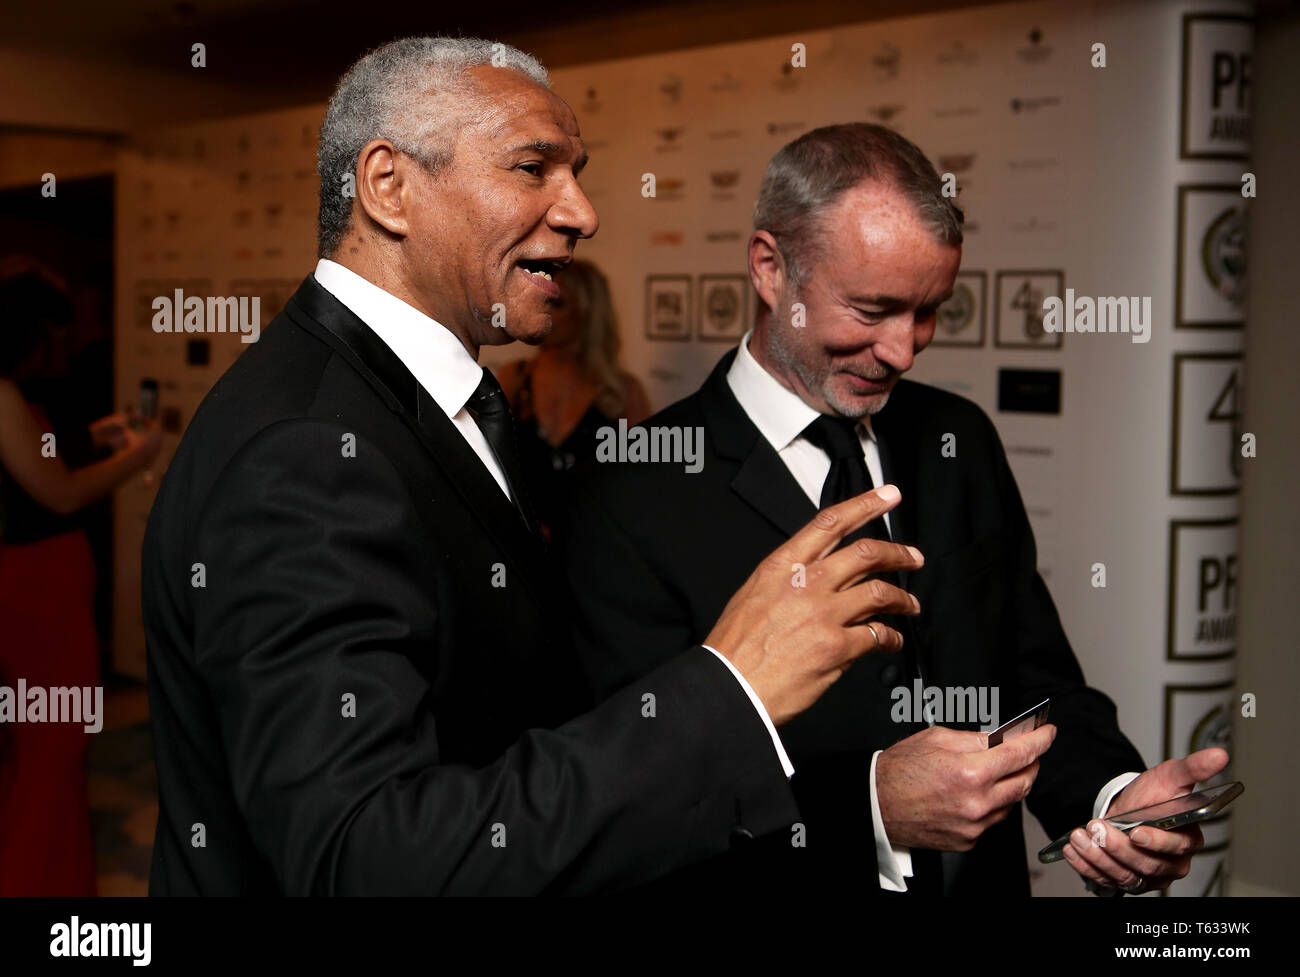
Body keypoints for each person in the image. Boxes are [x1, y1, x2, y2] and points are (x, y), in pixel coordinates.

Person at [141, 38, 923, 896]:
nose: (583, 212)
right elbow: (360, 857)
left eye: (576, 172)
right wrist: (729, 690)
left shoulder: (433, 405)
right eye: (531, 169)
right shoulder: (304, 451)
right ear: (388, 187)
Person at [561, 123, 1226, 897]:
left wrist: (1113, 799)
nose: (904, 352)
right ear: (771, 268)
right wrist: (869, 810)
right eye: (873, 310)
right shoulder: (632, 489)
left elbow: (1030, 675)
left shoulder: (958, 438)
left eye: (929, 311)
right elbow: (637, 798)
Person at [0, 260, 161, 895]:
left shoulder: (17, 395)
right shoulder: (3, 394)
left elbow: (40, 456)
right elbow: (58, 494)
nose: (65, 346)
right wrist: (137, 456)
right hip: (36, 602)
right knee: (53, 750)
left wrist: (101, 435)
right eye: (57, 334)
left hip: (45, 596)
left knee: (43, 752)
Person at [496, 259, 650, 536]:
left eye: (557, 303)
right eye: (540, 297)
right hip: (523, 550)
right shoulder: (514, 380)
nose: (542, 308)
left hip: (597, 551)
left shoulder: (622, 393)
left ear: (586, 313)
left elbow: (642, 486)